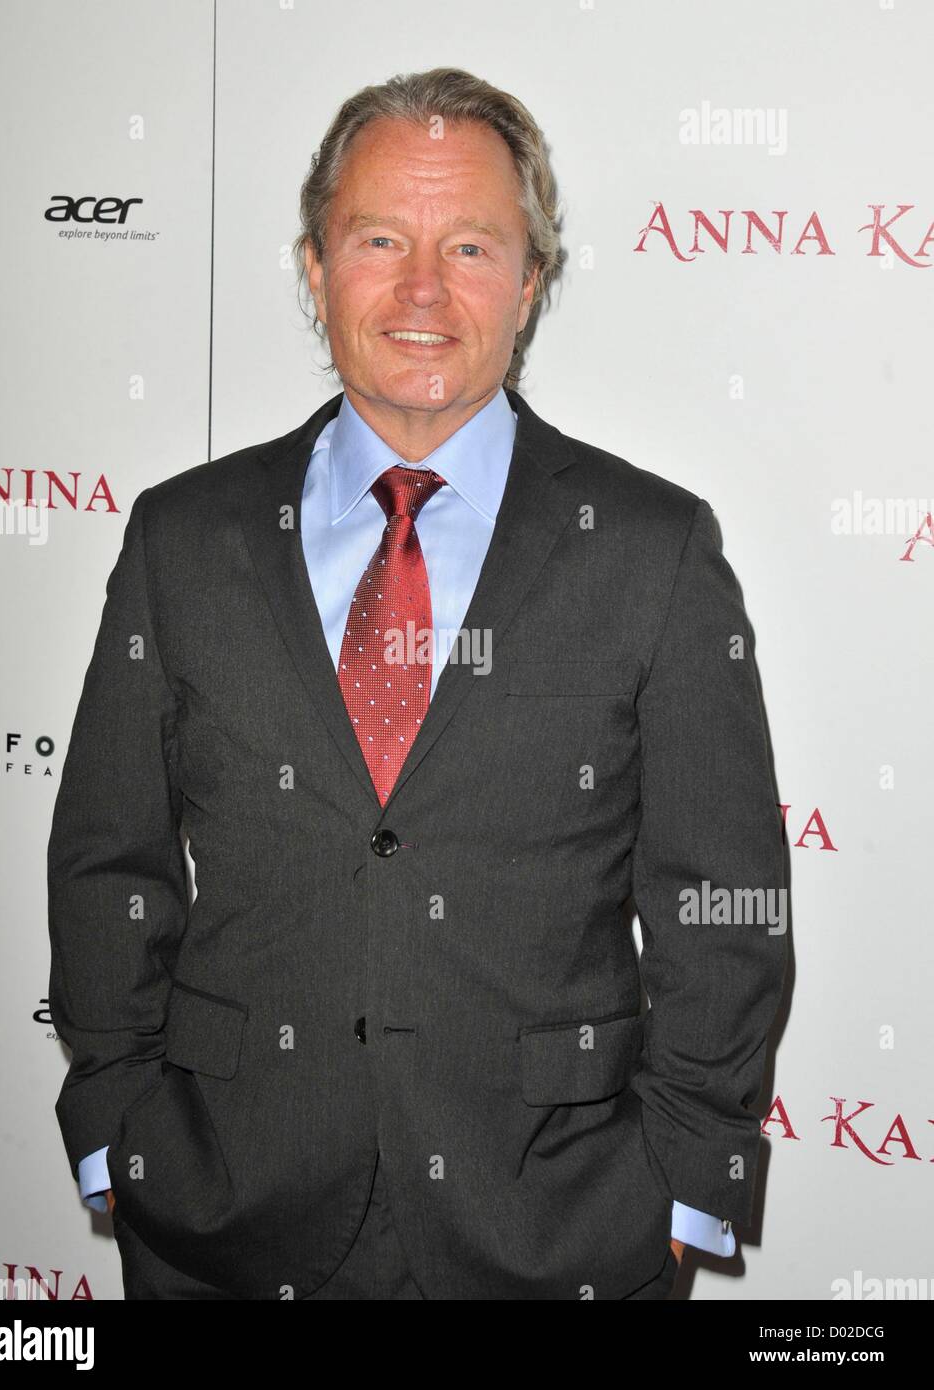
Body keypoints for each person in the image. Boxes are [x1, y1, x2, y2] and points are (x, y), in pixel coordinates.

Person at [47, 67, 788, 1300]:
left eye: (473, 246)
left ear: (531, 283)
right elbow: (105, 860)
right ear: (314, 265)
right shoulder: (184, 539)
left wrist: (676, 1190)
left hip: (559, 1236)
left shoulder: (652, 548)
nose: (423, 291)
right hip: (218, 1222)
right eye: (380, 238)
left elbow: (723, 902)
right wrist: (114, 1122)